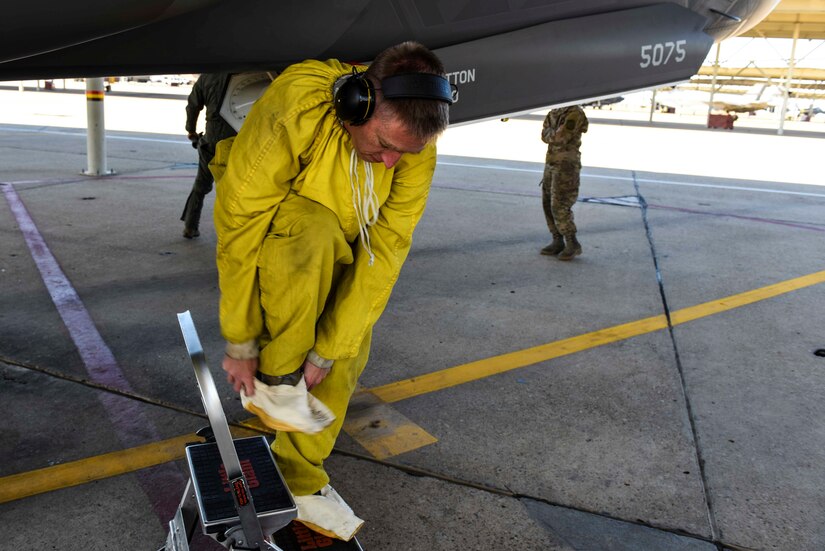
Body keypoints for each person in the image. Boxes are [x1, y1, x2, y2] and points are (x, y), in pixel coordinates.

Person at [210, 41, 452, 540]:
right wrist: (240, 341)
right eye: (384, 144)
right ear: (356, 103)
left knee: (348, 340)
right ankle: (277, 382)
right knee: (313, 237)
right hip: (281, 222)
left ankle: (299, 478)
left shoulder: (411, 152)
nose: (389, 163)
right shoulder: (299, 103)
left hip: (348, 230)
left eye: (403, 153)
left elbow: (385, 251)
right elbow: (240, 222)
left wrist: (327, 352)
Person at [180, 73, 237, 239]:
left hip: (210, 140)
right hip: (235, 140)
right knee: (233, 189)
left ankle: (190, 226)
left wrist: (191, 130)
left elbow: (192, 106)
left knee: (200, 186)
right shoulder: (243, 74)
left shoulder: (206, 77)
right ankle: (231, 232)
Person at [539, 104, 588, 260]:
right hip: (551, 163)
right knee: (547, 202)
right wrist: (554, 133)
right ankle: (557, 240)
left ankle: (572, 243)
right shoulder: (553, 112)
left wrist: (552, 134)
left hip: (566, 167)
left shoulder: (575, 113)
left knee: (559, 205)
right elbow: (543, 135)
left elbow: (562, 137)